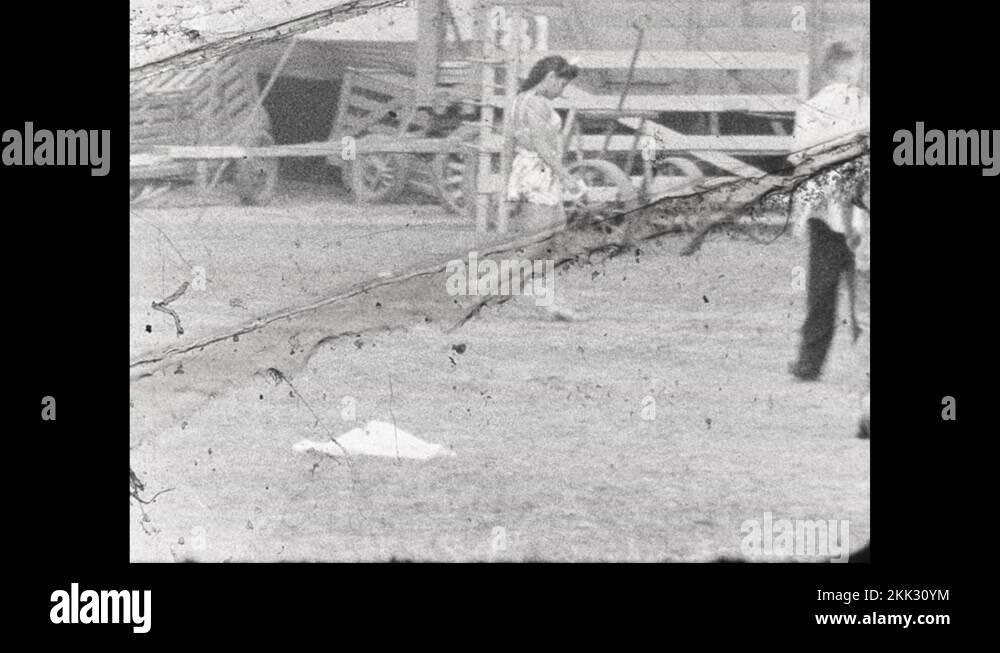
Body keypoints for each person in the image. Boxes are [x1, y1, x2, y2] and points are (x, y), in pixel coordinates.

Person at [787, 42, 870, 382]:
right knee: (863, 296)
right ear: (852, 69)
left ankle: (809, 364)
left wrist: (799, 213)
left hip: (826, 215)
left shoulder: (811, 108)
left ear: (825, 70)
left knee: (820, 293)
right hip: (861, 218)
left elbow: (802, 163)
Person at [504, 54, 584, 320]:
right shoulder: (535, 103)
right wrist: (565, 175)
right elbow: (540, 145)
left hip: (538, 173)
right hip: (538, 172)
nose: (561, 92)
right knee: (536, 245)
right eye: (561, 85)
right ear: (550, 78)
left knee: (552, 239)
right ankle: (479, 290)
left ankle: (548, 302)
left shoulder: (521, 100)